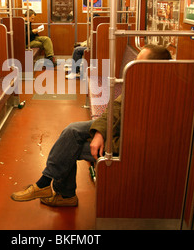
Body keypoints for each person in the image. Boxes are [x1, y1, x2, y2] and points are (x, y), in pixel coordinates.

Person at [11, 44, 172, 206]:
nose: (132, 67)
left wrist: (104, 133)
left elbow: (139, 135)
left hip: (128, 142)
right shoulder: (141, 81)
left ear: (154, 68)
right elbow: (115, 110)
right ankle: (48, 186)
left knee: (70, 148)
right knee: (72, 131)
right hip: (117, 129)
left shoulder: (162, 94)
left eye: (138, 63)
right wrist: (100, 132)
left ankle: (59, 192)